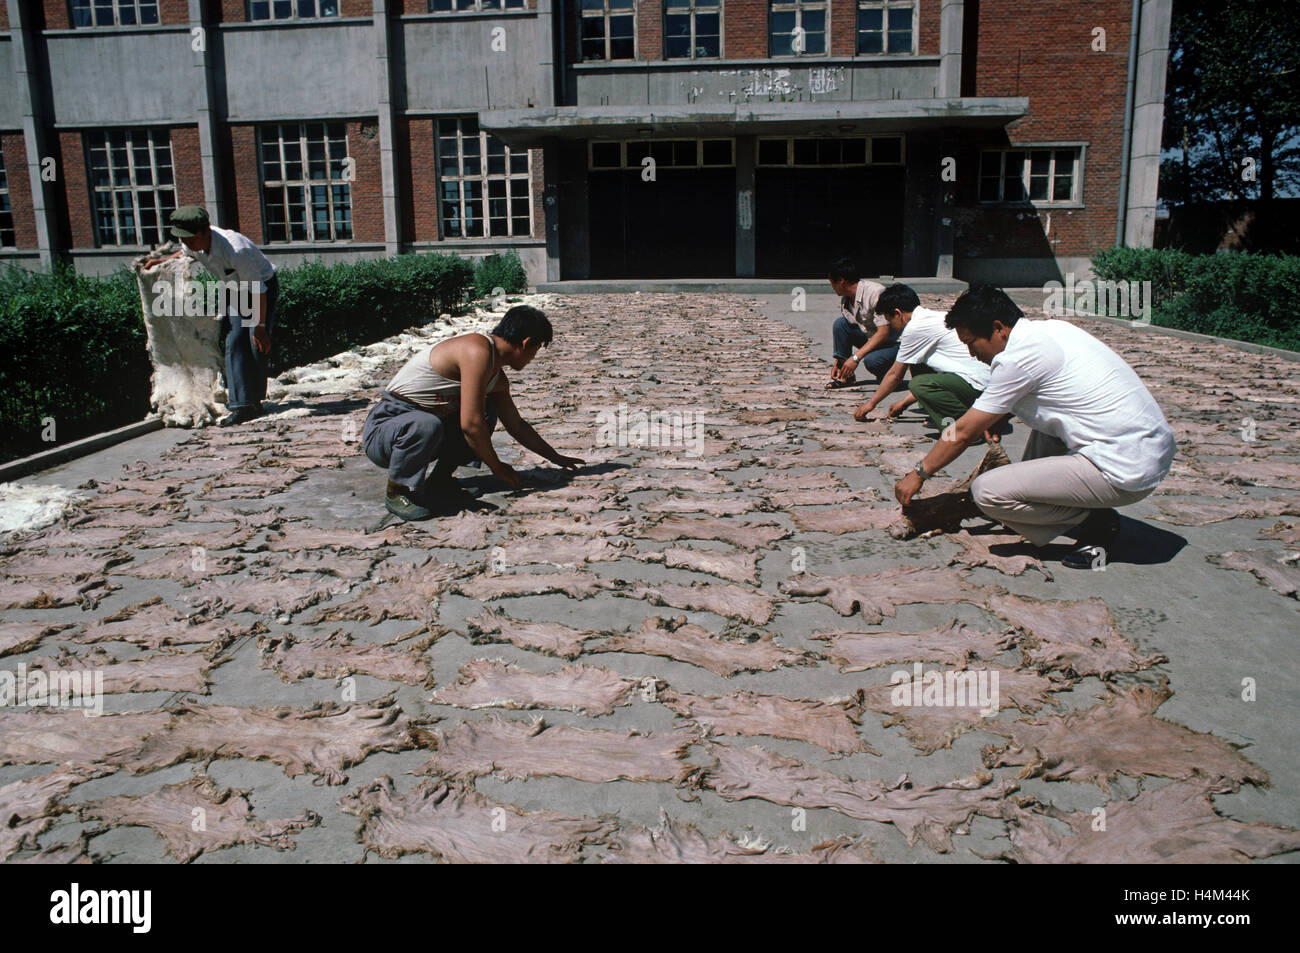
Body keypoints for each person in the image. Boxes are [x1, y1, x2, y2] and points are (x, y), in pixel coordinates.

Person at [893, 284, 1176, 568]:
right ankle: (1068, 507)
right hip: (1148, 448)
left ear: (998, 328)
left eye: (971, 343)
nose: (970, 353)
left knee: (988, 492)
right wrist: (998, 414)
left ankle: (1097, 521)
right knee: (1036, 445)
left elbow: (963, 430)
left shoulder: (1018, 358)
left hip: (1125, 467)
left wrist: (920, 472)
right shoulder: (1051, 330)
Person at [362, 304, 584, 521]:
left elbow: (516, 425)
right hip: (387, 429)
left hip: (424, 432)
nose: (531, 360)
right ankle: (398, 490)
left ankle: (440, 482)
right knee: (431, 423)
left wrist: (555, 457)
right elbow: (471, 424)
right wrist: (497, 467)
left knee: (487, 409)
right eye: (534, 353)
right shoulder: (476, 350)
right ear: (525, 344)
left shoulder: (496, 378)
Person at [143, 206, 279, 426]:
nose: (186, 244)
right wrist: (161, 261)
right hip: (234, 288)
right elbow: (184, 253)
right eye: (183, 240)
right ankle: (241, 406)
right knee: (235, 340)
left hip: (259, 287)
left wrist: (260, 326)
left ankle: (254, 401)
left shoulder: (235, 249)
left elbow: (258, 290)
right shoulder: (192, 243)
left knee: (255, 342)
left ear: (205, 232)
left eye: (190, 239)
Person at [850, 283, 995, 437]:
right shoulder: (931, 316)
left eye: (890, 320)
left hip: (978, 385)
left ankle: (963, 432)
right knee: (920, 368)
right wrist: (904, 403)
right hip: (981, 380)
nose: (892, 326)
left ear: (897, 313)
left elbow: (895, 375)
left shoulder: (915, 328)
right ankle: (948, 419)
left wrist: (870, 404)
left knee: (920, 384)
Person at [826, 259, 895, 388]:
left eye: (832, 283)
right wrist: (840, 363)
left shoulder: (875, 292)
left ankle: (892, 374)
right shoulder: (846, 300)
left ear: (841, 281)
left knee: (873, 361)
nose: (832, 287)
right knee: (840, 324)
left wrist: (855, 358)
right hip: (871, 337)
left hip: (892, 343)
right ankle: (846, 376)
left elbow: (884, 333)